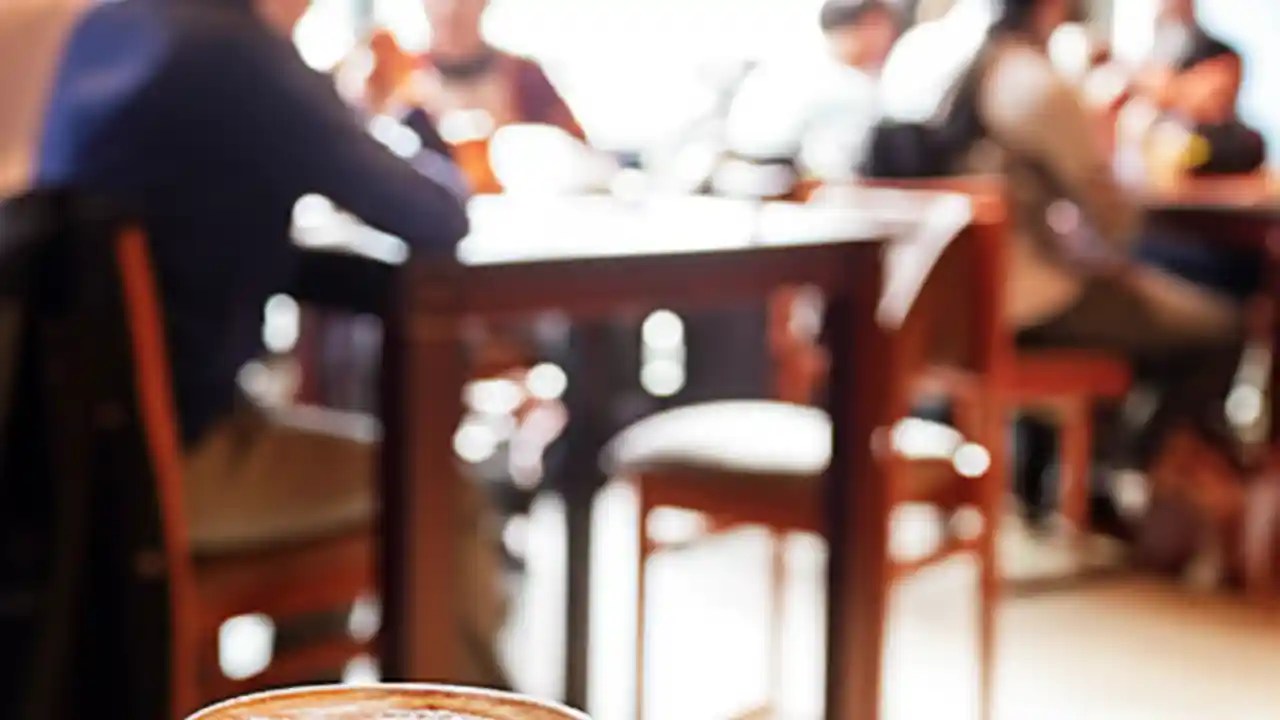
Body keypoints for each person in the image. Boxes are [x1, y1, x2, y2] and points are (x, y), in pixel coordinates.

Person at [1, 0, 508, 687]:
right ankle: (466, 708)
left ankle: (292, 701)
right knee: (444, 486)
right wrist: (372, 114)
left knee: (328, 449)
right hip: (174, 465)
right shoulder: (246, 56)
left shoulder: (110, 25)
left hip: (68, 456)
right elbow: (435, 212)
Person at [903, 0, 1246, 520]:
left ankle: (1082, 479)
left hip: (950, 300)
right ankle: (1123, 471)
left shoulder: (955, 65)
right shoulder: (1035, 84)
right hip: (1025, 301)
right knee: (1220, 325)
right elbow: (1114, 220)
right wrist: (1106, 130)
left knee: (1142, 293)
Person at [724, 0, 900, 181]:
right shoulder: (846, 86)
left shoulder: (784, 61)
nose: (889, 37)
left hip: (738, 180)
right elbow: (831, 169)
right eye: (878, 26)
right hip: (792, 191)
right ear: (853, 28)